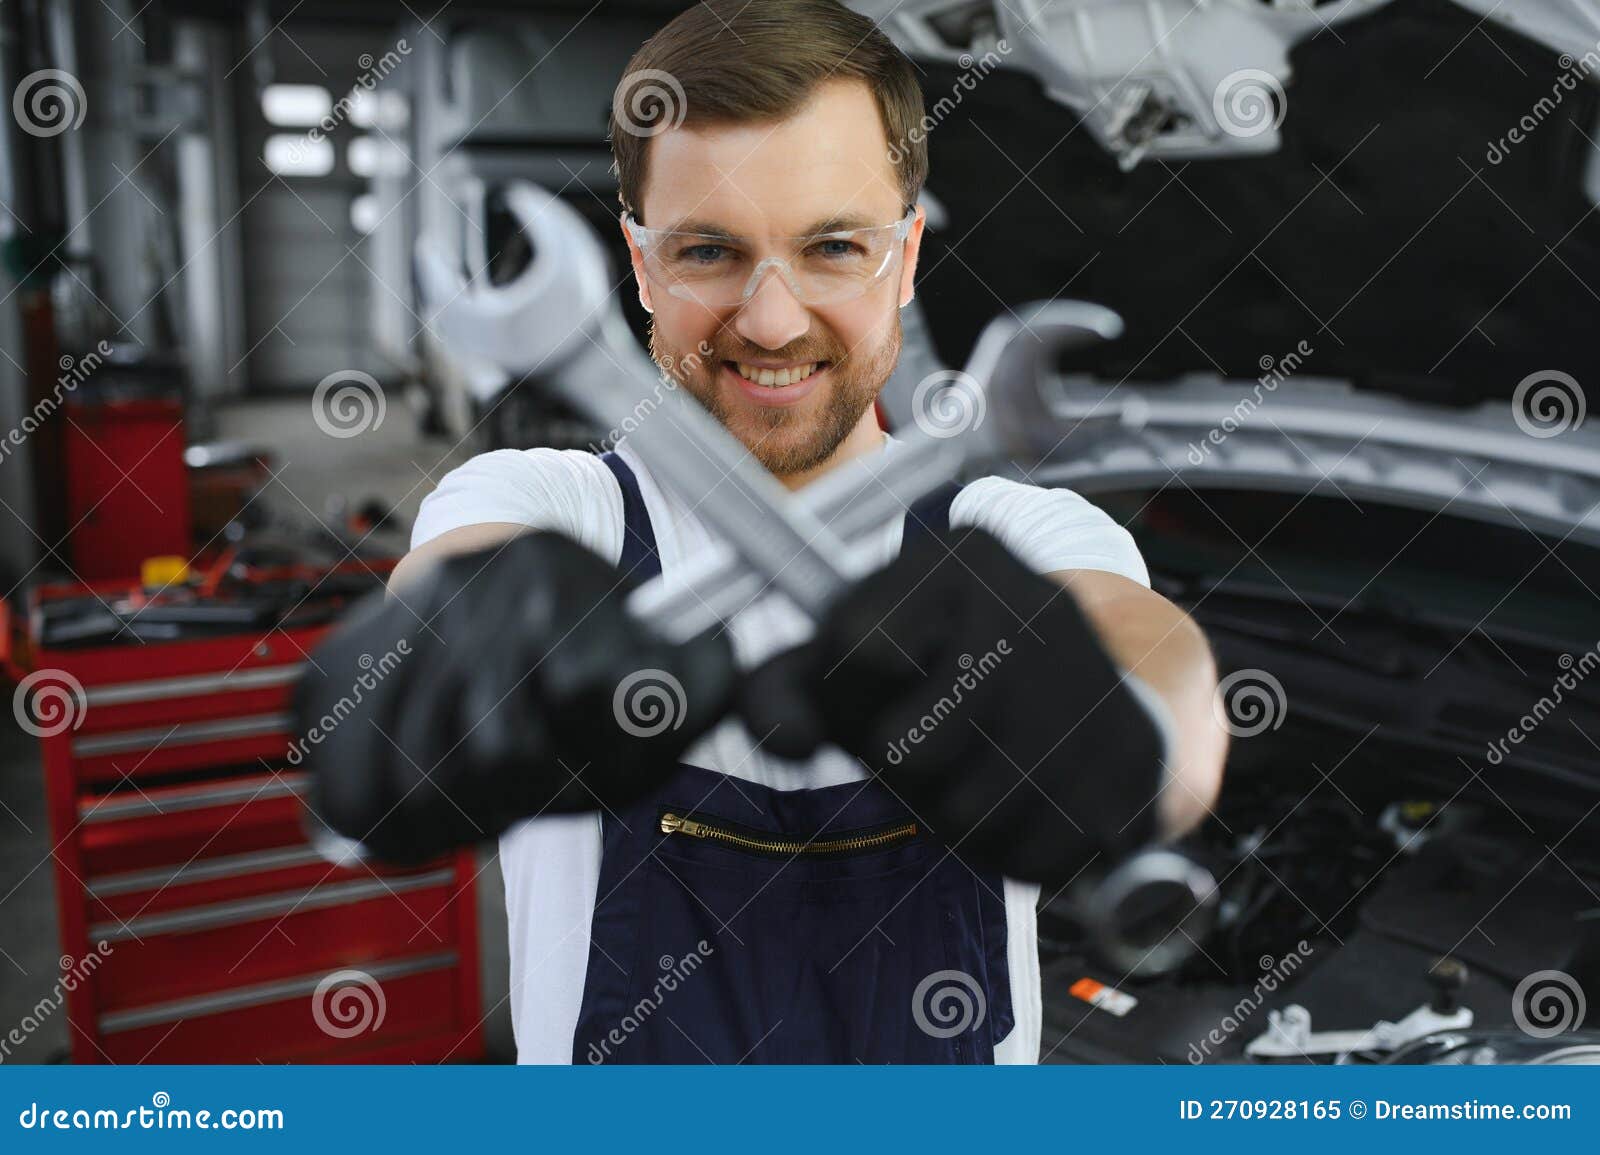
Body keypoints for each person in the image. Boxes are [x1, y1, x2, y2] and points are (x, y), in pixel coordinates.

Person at [297, 0, 1227, 1064]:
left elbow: (1153, 660)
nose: (773, 321)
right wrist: (426, 678)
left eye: (834, 247)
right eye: (708, 250)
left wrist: (1140, 739)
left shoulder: (1013, 529)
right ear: (639, 264)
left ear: (906, 258)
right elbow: (451, 593)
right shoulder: (550, 508)